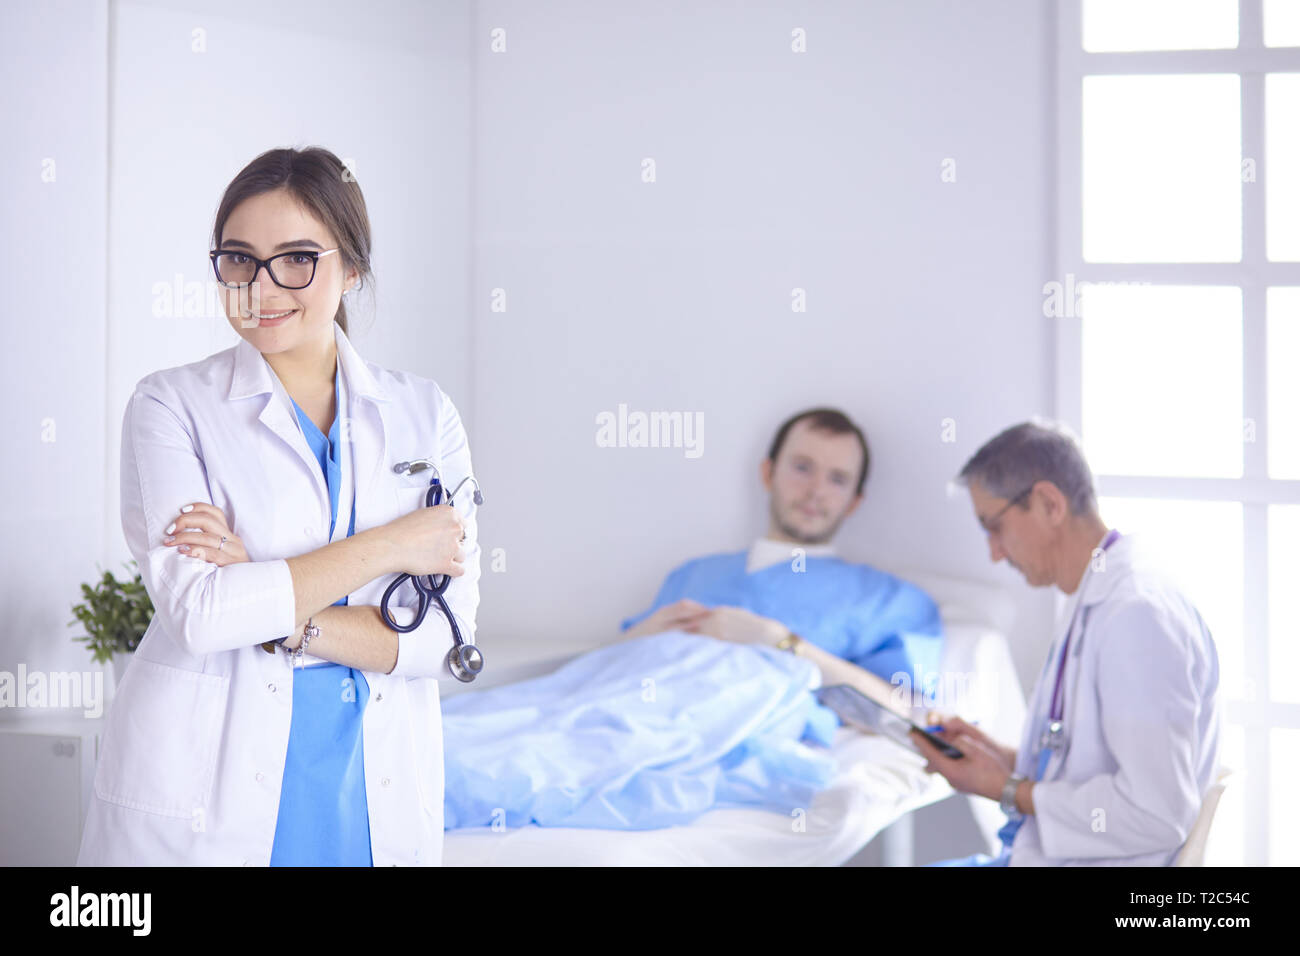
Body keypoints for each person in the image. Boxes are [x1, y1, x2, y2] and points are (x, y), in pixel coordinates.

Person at [77, 146, 480, 867]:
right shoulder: (169, 406)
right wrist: (393, 545)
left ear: (351, 268)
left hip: (368, 785)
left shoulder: (424, 413)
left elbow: (439, 641)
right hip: (212, 791)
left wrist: (267, 598)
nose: (260, 287)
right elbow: (201, 615)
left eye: (296, 258)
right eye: (238, 259)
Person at [912, 420, 1221, 866]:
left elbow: (1153, 814)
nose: (994, 553)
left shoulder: (1137, 614)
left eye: (994, 527)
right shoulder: (1098, 590)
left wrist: (1006, 789)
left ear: (1048, 503)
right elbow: (1095, 764)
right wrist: (1001, 759)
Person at [621, 408, 943, 707]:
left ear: (854, 501)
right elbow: (606, 677)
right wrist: (636, 640)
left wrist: (779, 643)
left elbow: (907, 715)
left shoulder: (887, 600)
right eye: (802, 468)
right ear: (768, 473)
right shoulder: (693, 576)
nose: (816, 491)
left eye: (837, 479)